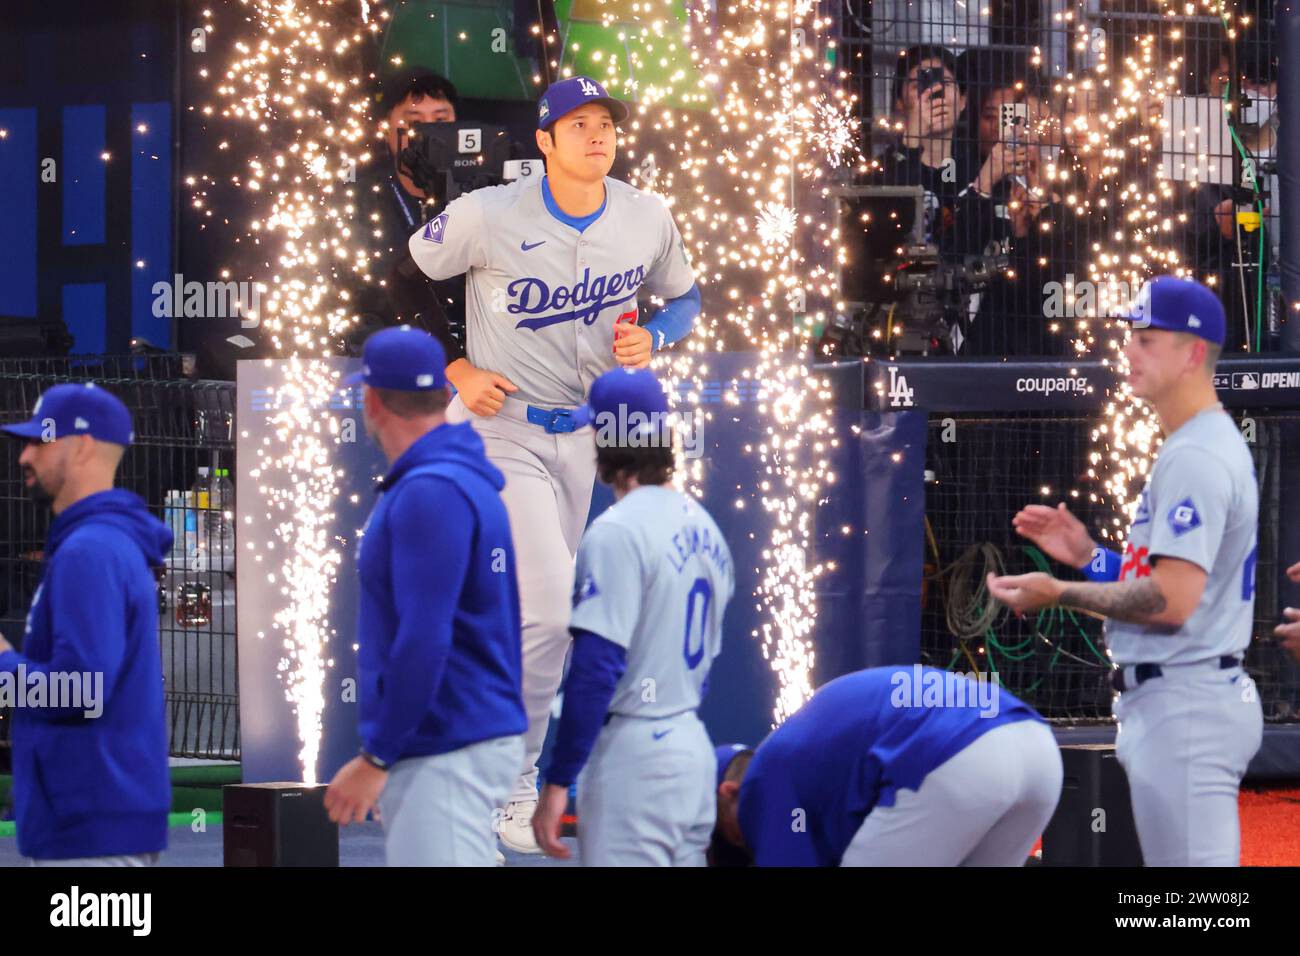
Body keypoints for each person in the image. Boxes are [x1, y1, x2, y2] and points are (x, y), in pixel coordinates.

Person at [407, 74, 702, 853]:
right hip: (501, 428)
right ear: (543, 141)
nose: (597, 135)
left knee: (539, 620)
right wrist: (452, 365)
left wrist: (660, 337)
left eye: (605, 121)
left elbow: (685, 297)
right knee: (544, 610)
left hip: (587, 437)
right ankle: (511, 782)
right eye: (578, 124)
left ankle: (473, 766)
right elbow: (399, 277)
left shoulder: (645, 213)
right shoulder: (490, 212)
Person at [988, 275, 1263, 866]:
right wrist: (1092, 558)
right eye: (1130, 337)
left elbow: (1171, 601)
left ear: (1193, 354)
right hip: (1183, 697)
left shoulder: (1196, 454)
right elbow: (1177, 582)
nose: (1129, 351)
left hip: (1187, 700)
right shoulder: (1193, 444)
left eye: (1147, 339)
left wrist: (1059, 591)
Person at [323, 326, 527, 866]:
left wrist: (378, 754)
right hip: (460, 734)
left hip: (446, 739)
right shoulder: (461, 479)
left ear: (371, 400)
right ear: (443, 393)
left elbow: (424, 639)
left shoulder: (430, 489)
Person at [531, 368, 735, 865]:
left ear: (606, 444)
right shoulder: (704, 525)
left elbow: (596, 667)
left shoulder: (617, 532)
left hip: (636, 757)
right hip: (691, 749)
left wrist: (557, 781)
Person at [0, 383, 172, 865]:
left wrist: (4, 665)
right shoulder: (97, 544)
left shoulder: (90, 551)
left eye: (40, 441)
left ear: (82, 446)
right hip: (95, 820)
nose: (24, 457)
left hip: (92, 826)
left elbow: (81, 692)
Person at [710, 666, 1062, 866]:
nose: (744, 845)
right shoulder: (799, 755)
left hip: (956, 756)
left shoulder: (763, 778)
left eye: (727, 836)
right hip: (1038, 747)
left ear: (729, 792)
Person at [346, 69, 467, 358]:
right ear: (385, 128)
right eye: (414, 122)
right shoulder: (359, 203)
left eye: (441, 121)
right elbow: (350, 302)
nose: (428, 133)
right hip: (392, 363)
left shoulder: (478, 194)